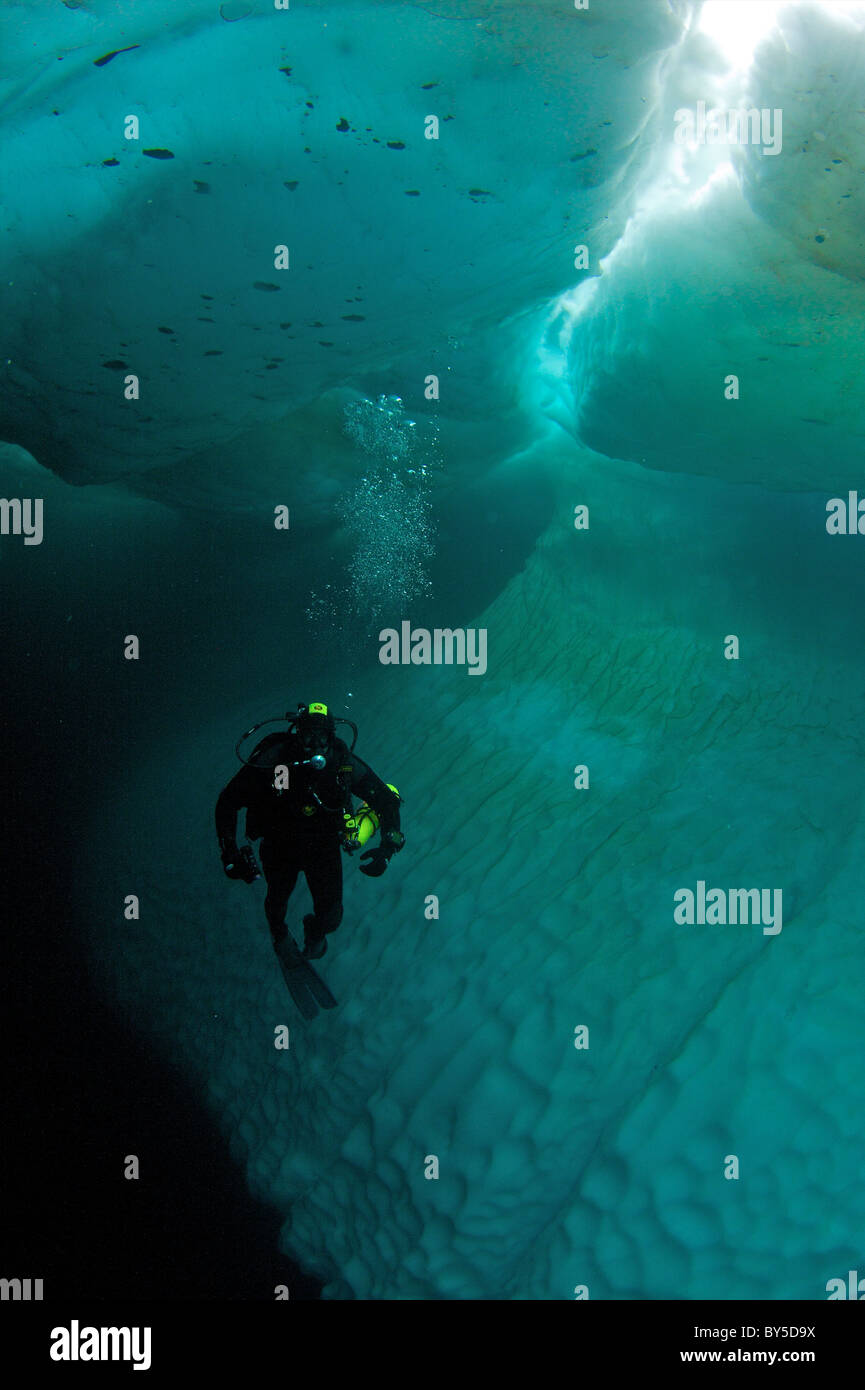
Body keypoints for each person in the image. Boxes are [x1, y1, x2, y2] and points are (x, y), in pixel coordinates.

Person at [216, 701, 404, 959]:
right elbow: (228, 801)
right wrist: (229, 851)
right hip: (279, 844)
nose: (315, 745)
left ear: (331, 737)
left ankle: (314, 934)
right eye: (308, 736)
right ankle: (279, 934)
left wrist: (387, 848)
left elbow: (386, 800)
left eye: (322, 737)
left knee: (331, 917)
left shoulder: (342, 763)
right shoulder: (275, 758)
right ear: (298, 735)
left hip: (323, 846)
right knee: (277, 900)